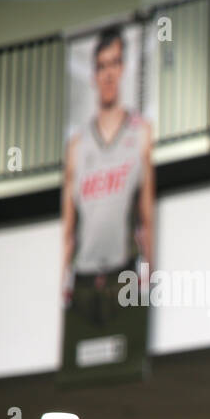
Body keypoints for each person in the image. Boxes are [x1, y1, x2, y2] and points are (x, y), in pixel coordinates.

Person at [60, 25, 154, 367]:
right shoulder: (77, 145)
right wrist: (62, 281)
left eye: (115, 63)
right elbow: (69, 229)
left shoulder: (140, 133)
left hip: (123, 274)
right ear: (93, 74)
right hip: (84, 278)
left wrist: (150, 273)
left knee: (128, 361)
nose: (109, 73)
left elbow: (146, 218)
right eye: (102, 65)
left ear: (124, 67)